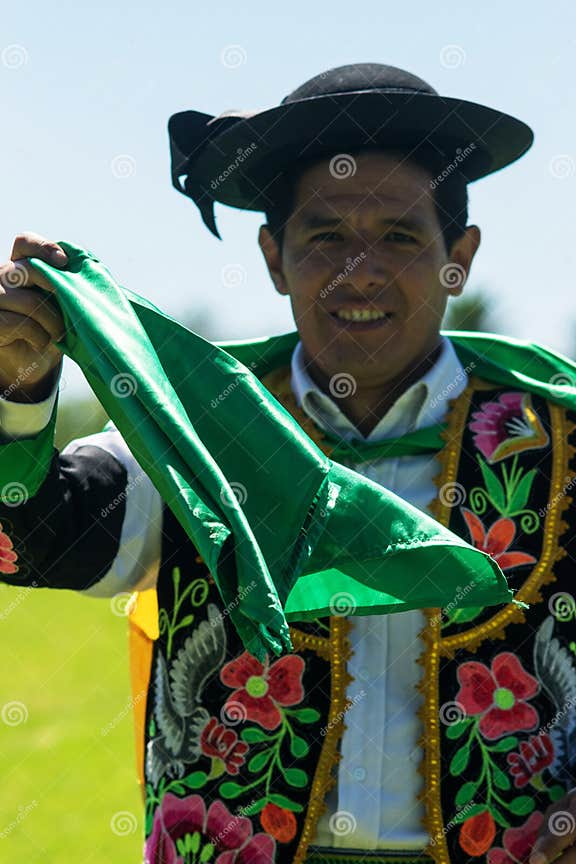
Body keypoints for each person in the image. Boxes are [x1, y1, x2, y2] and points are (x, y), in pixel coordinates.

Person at [0, 62, 575, 864]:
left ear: (461, 257)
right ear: (274, 257)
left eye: (402, 236)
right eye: (326, 236)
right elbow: (44, 534)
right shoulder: (196, 424)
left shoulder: (564, 436)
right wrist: (19, 393)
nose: (360, 271)